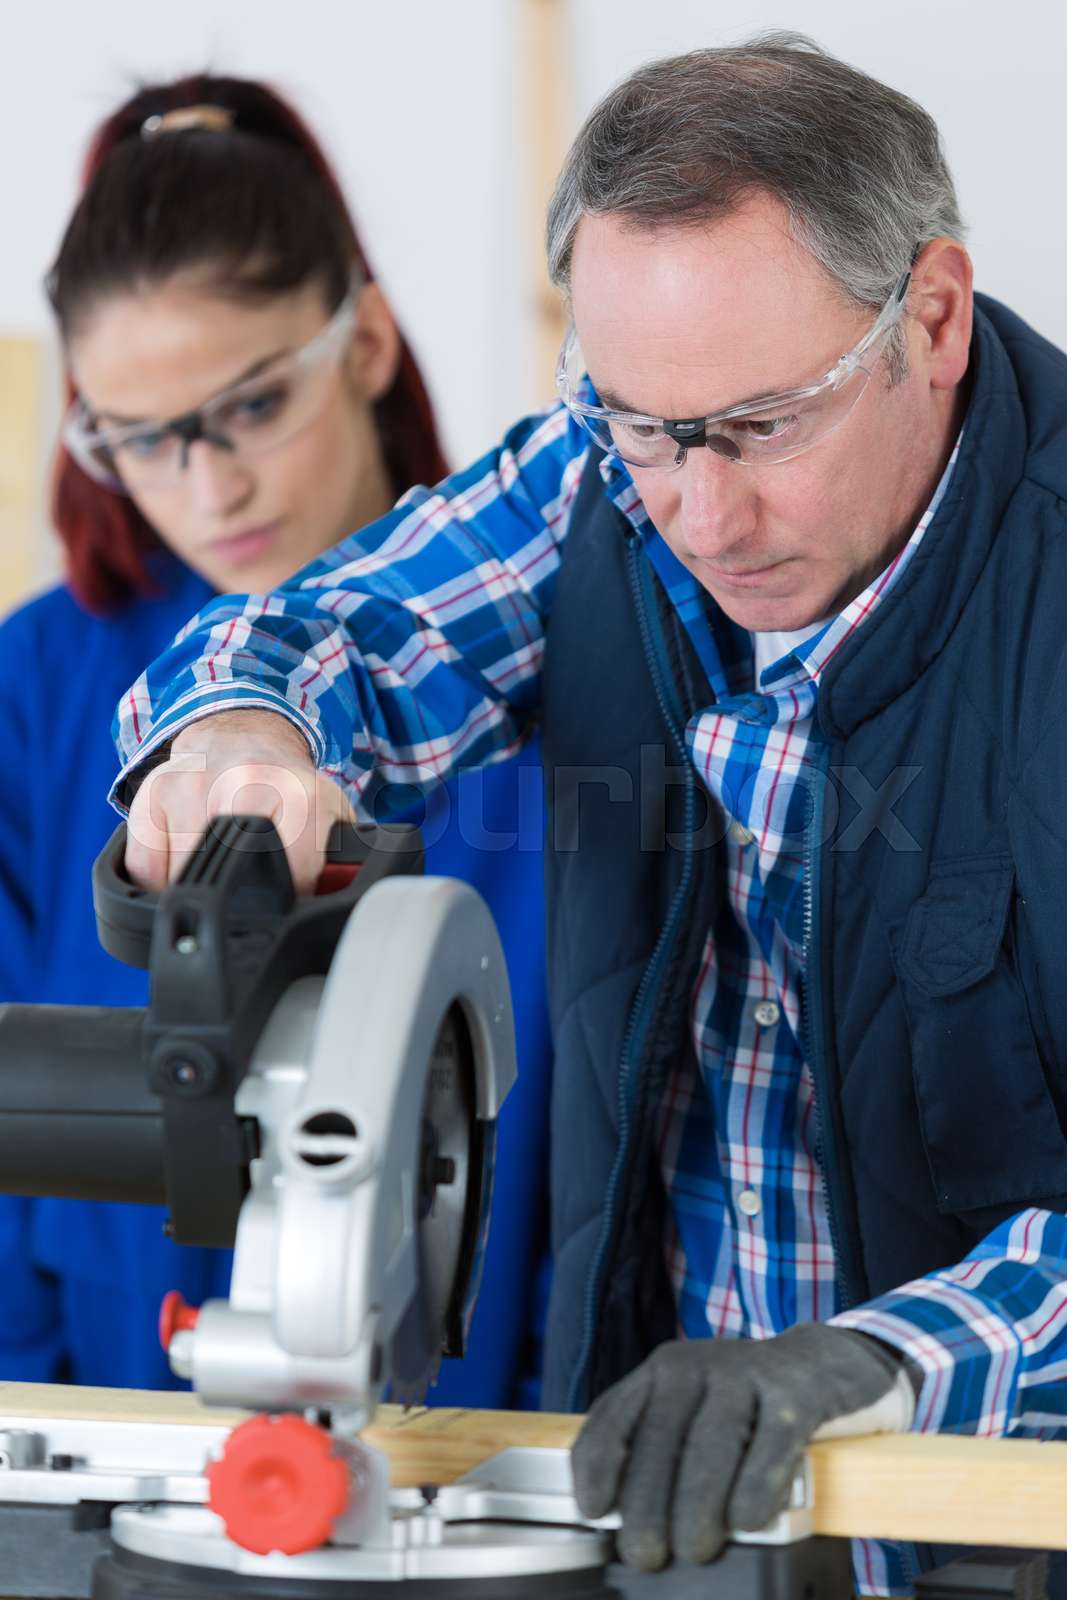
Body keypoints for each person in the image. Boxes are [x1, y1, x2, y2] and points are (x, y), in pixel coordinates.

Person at [98, 33, 1067, 1596]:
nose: (699, 514)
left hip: (991, 1535)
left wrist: (875, 1362)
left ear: (933, 319)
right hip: (652, 1516)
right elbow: (317, 633)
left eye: (760, 428)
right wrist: (242, 734)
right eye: (642, 422)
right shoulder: (605, 484)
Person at [0, 73, 551, 1406]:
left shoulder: (548, 654)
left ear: (363, 339)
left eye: (250, 407)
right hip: (123, 1427)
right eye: (141, 439)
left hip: (492, 1444)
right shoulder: (44, 675)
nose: (211, 483)